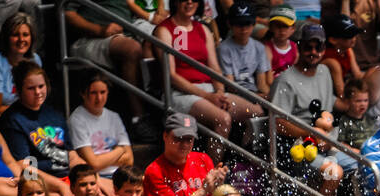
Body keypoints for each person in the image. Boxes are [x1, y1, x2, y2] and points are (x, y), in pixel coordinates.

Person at [270, 23, 348, 196]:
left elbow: (327, 112)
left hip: (324, 142)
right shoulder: (285, 80)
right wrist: (312, 134)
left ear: (324, 49)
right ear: (298, 46)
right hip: (296, 147)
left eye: (318, 47)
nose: (313, 52)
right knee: (335, 172)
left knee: (363, 163)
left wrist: (327, 133)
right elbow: (278, 123)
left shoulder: (324, 72)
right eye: (308, 47)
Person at [155, 0, 246, 157]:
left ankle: (245, 161)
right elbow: (171, 76)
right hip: (180, 93)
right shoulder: (164, 30)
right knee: (222, 119)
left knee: (257, 111)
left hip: (210, 90)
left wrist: (219, 91)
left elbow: (215, 69)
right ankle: (211, 175)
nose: (190, 2)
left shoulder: (203, 29)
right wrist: (208, 97)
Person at [65, 0, 151, 138]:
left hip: (131, 30)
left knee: (160, 43)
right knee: (132, 49)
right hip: (91, 38)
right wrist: (99, 30)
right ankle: (139, 119)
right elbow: (68, 13)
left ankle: (163, 114)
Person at [145, 113, 225, 196]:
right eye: (179, 138)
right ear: (165, 136)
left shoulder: (203, 159)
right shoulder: (155, 171)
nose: (184, 143)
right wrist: (203, 190)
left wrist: (219, 186)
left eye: (189, 139)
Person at [0, 62, 75, 190]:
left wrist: (92, 177)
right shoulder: (12, 120)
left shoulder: (54, 113)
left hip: (69, 177)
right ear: (19, 89)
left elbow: (72, 154)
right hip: (39, 183)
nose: (38, 92)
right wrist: (60, 185)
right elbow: (23, 166)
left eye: (41, 86)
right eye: (31, 88)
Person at [68, 73, 134, 196]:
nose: (99, 98)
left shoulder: (113, 117)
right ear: (83, 94)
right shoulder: (77, 119)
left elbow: (130, 159)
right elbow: (94, 164)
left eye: (103, 92)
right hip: (98, 177)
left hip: (121, 175)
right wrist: (120, 151)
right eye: (93, 93)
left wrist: (100, 159)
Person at [0, 11, 41, 120]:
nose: (21, 40)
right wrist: (28, 107)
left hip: (23, 116)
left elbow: (39, 98)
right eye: (15, 35)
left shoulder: (35, 59)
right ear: (6, 38)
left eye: (25, 35)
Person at [219, 3, 274, 100]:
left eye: (247, 23)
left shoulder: (259, 47)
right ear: (230, 24)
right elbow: (231, 86)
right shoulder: (223, 48)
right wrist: (258, 97)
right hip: (234, 96)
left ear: (254, 24)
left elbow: (262, 84)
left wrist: (271, 98)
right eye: (239, 24)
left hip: (255, 93)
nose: (244, 29)